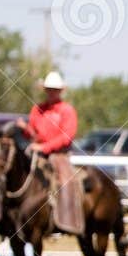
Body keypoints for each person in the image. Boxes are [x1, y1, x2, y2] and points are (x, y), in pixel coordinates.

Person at [24, 70, 84, 235]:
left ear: (60, 91)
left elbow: (66, 137)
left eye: (54, 89)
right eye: (49, 89)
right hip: (37, 154)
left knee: (66, 182)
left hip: (59, 155)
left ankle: (67, 221)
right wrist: (26, 130)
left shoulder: (66, 110)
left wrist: (44, 147)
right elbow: (33, 131)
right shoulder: (38, 109)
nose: (51, 92)